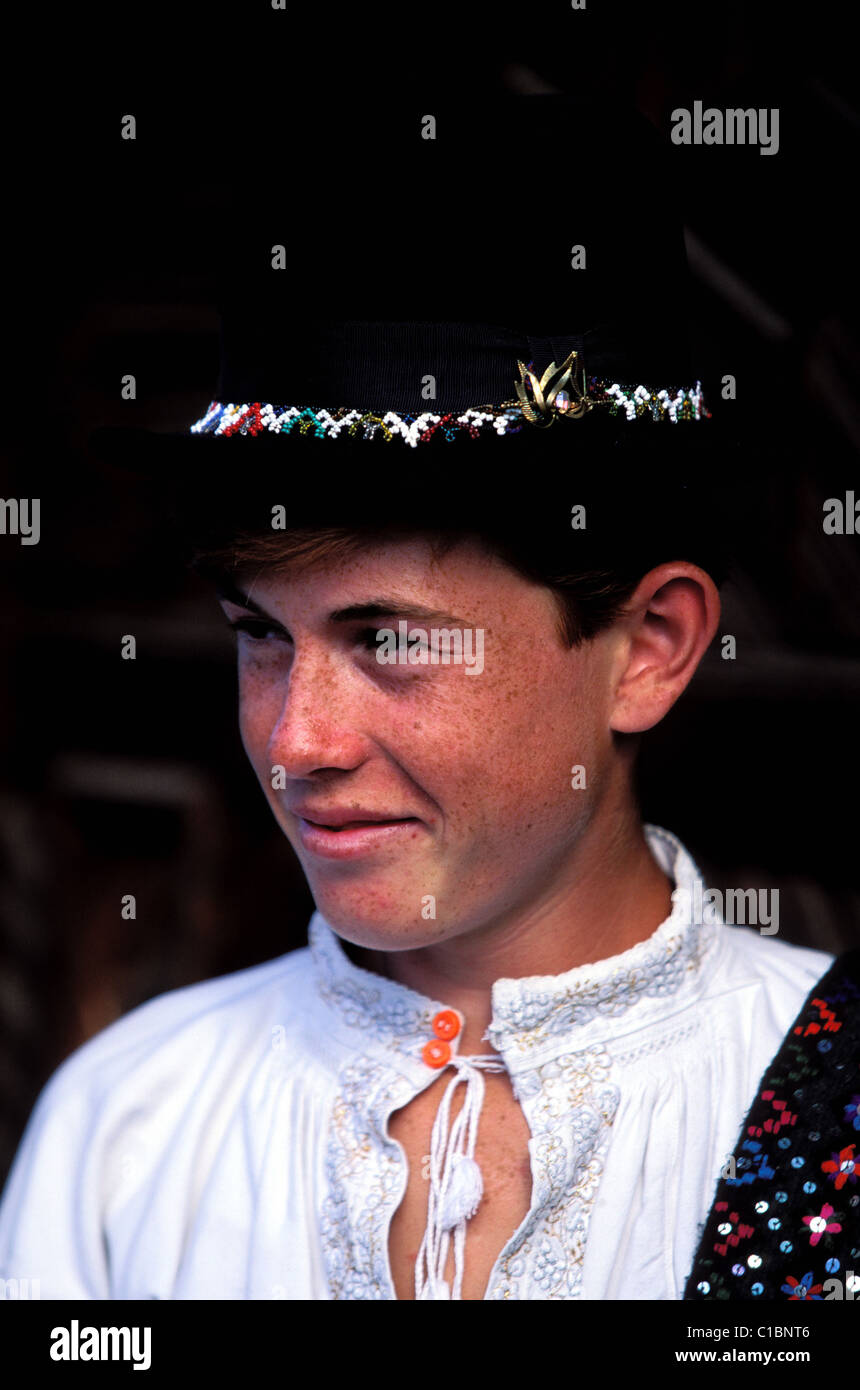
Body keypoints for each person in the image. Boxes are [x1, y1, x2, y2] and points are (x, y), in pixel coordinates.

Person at [2, 96, 858, 1301]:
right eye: (260, 637)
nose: (297, 742)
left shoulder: (834, 1103)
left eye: (391, 639)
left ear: (648, 649)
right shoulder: (128, 1125)